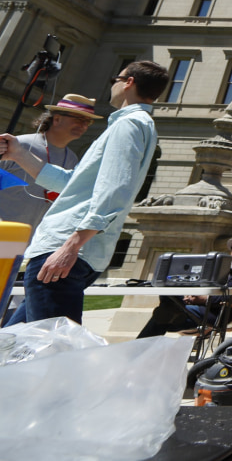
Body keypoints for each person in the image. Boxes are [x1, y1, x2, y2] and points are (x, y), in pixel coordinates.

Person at [0, 61, 168, 325]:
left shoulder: (129, 125)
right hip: (68, 250)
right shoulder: (134, 125)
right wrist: (18, 154)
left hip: (63, 249)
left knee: (55, 349)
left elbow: (115, 188)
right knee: (16, 342)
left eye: (116, 78)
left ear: (129, 82)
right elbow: (73, 183)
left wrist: (72, 244)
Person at [0, 94, 98, 230]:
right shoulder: (19, 144)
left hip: (29, 243)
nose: (84, 125)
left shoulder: (72, 159)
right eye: (80, 119)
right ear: (57, 119)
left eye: (88, 121)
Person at [137, 234, 232, 337]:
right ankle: (172, 308)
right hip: (192, 308)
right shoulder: (219, 266)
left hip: (216, 312)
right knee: (166, 306)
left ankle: (137, 350)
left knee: (164, 315)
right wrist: (189, 295)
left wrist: (206, 299)